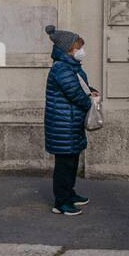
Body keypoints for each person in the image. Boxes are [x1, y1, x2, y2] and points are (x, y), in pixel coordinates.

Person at [43, 25, 97, 215]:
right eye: (78, 48)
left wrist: (90, 90)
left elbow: (78, 86)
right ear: (68, 50)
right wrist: (89, 102)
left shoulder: (69, 67)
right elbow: (74, 93)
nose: (81, 51)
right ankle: (61, 202)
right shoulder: (62, 68)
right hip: (63, 125)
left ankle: (69, 193)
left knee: (71, 162)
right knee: (65, 165)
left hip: (69, 123)